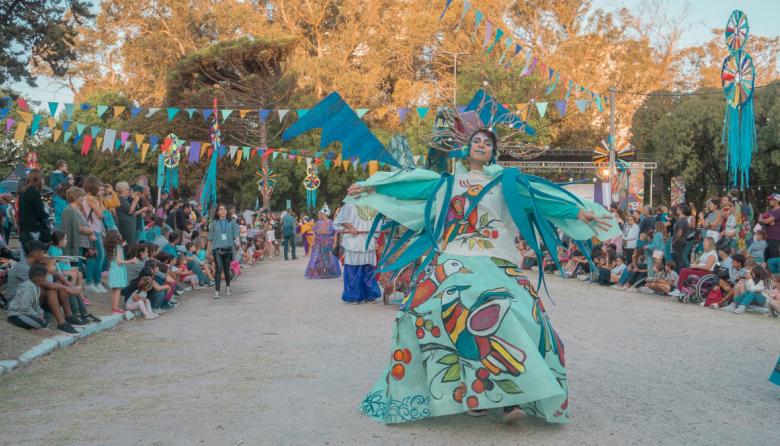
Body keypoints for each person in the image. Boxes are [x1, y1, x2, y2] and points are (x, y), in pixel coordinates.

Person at [348, 128, 617, 424]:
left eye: (487, 143)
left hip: (496, 259)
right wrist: (370, 188)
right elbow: (409, 187)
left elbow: (540, 201)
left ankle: (509, 398)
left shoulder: (506, 184)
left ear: (493, 152)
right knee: (421, 312)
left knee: (522, 314)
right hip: (454, 256)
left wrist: (579, 213)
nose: (481, 145)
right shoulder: (447, 183)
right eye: (476, 141)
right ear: (467, 149)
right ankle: (466, 393)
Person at [6, 241, 79, 333]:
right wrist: (66, 288)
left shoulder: (33, 265)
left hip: (30, 299)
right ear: (35, 253)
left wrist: (66, 282)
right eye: (43, 252)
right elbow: (45, 283)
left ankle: (69, 317)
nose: (45, 254)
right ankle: (62, 323)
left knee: (59, 283)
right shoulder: (23, 267)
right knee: (51, 289)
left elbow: (51, 275)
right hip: (18, 303)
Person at [332, 201, 381, 304]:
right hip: (353, 241)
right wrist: (349, 227)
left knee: (368, 269)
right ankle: (353, 296)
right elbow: (338, 220)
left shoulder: (374, 204)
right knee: (353, 270)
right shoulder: (349, 204)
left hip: (368, 241)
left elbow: (379, 223)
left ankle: (370, 295)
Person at [207, 204, 239, 298]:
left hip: (228, 249)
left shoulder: (232, 222)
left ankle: (228, 286)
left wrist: (238, 243)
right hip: (217, 249)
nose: (222, 211)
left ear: (227, 211)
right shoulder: (214, 223)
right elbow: (210, 238)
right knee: (218, 268)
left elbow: (236, 234)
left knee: (226, 270)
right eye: (220, 209)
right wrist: (207, 250)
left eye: (224, 209)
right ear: (217, 212)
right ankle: (217, 291)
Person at [82, 176, 107, 293]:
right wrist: (100, 200)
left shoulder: (90, 198)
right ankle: (94, 282)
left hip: (94, 229)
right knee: (98, 256)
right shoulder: (90, 198)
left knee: (93, 256)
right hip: (93, 230)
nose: (101, 189)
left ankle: (92, 282)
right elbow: (101, 214)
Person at [6, 264, 50, 330]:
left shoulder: (36, 287)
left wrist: (40, 314)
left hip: (26, 313)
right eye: (46, 276)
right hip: (17, 314)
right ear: (40, 278)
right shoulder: (28, 288)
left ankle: (40, 324)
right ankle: (40, 325)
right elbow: (25, 307)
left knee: (48, 315)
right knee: (40, 323)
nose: (47, 278)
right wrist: (37, 316)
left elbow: (36, 304)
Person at [304, 204, 341, 279]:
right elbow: (315, 233)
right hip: (319, 242)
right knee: (317, 257)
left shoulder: (331, 222)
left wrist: (334, 243)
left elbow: (336, 233)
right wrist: (313, 242)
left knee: (329, 257)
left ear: (325, 214)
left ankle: (329, 271)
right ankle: (318, 271)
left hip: (328, 242)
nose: (319, 215)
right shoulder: (318, 222)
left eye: (321, 213)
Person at [104, 230, 136, 314]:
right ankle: (116, 308)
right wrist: (130, 261)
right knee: (118, 290)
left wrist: (122, 245)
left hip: (113, 270)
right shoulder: (118, 247)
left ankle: (114, 308)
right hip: (118, 270)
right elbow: (119, 261)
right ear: (116, 237)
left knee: (114, 290)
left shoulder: (112, 247)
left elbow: (115, 258)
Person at [18, 169, 51, 250]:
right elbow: (40, 213)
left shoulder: (23, 191)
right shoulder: (34, 192)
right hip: (34, 230)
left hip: (24, 228)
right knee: (35, 256)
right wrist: (46, 215)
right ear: (39, 179)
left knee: (27, 257)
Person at [116, 182, 142, 248]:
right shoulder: (121, 198)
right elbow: (130, 211)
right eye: (127, 189)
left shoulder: (123, 199)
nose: (129, 191)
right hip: (127, 227)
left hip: (128, 226)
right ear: (122, 190)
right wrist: (135, 201)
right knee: (129, 246)